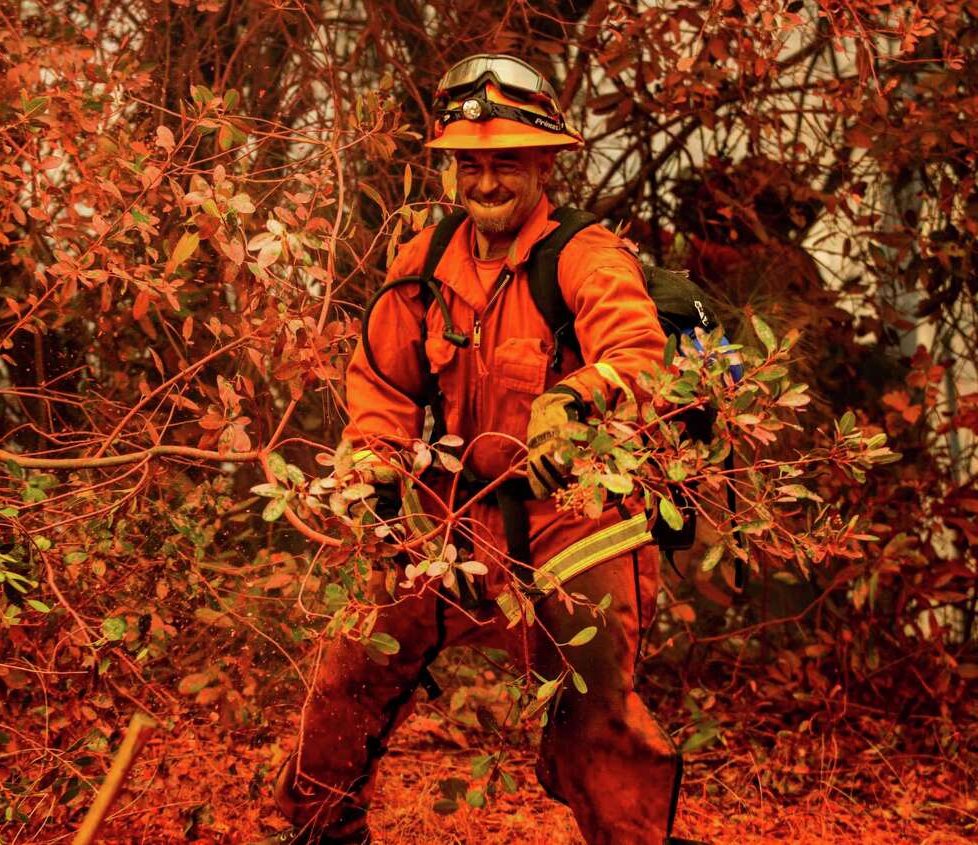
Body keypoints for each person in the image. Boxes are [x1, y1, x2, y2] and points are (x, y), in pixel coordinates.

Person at [254, 54, 701, 845]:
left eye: (505, 164)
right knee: (356, 653)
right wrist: (374, 465)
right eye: (471, 164)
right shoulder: (425, 261)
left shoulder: (586, 258)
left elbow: (638, 357)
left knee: (597, 710)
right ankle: (316, 828)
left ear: (542, 164)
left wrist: (575, 399)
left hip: (576, 516)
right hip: (455, 513)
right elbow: (383, 384)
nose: (486, 182)